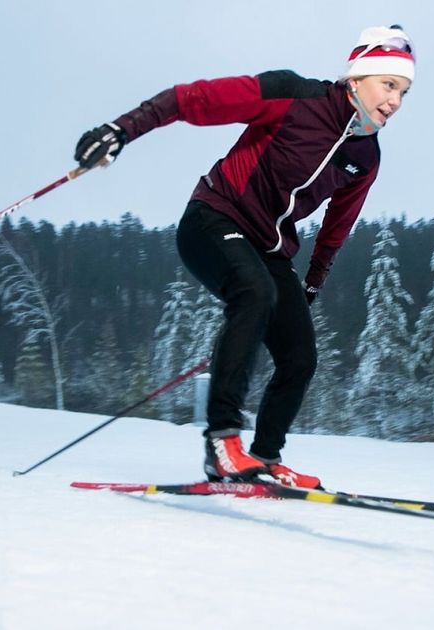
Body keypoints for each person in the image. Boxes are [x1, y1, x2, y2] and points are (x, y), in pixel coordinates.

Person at [74, 25, 415, 489]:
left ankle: (265, 459)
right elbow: (191, 99)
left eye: (404, 92)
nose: (395, 101)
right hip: (213, 218)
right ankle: (222, 444)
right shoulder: (293, 95)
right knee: (254, 293)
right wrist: (120, 130)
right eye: (389, 84)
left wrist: (311, 284)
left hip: (270, 248)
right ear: (356, 77)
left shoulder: (366, 155)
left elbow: (338, 225)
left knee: (300, 356)